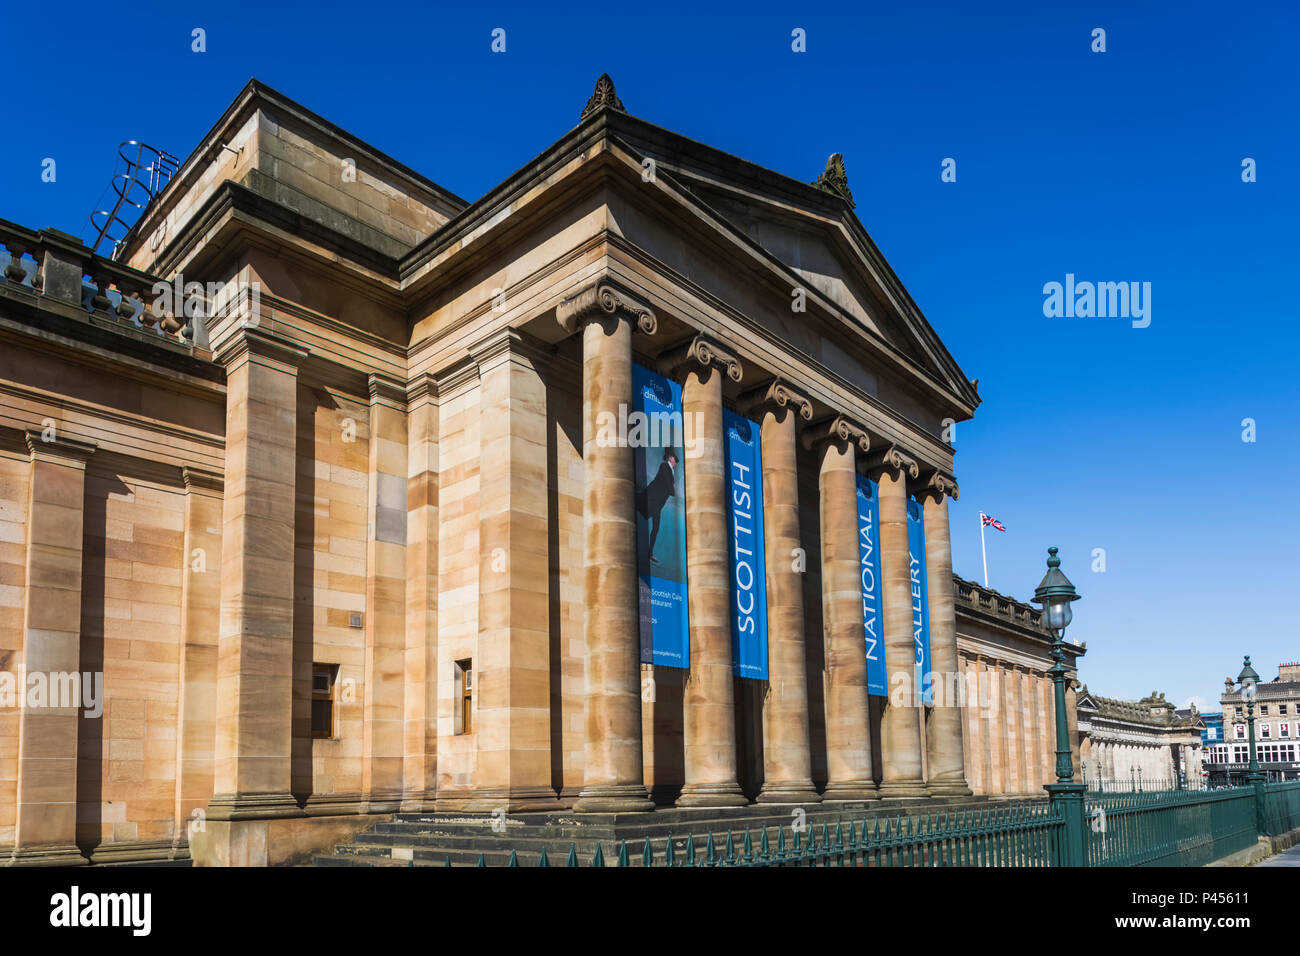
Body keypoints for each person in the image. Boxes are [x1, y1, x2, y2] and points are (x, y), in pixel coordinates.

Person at [636, 448, 678, 566]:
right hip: (651, 499)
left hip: (657, 503)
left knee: (656, 527)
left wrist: (672, 489)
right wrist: (672, 489)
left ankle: (650, 553)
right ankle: (643, 549)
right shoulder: (665, 466)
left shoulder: (670, 471)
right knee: (640, 509)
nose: (675, 461)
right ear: (670, 457)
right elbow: (670, 488)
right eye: (674, 458)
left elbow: (670, 487)